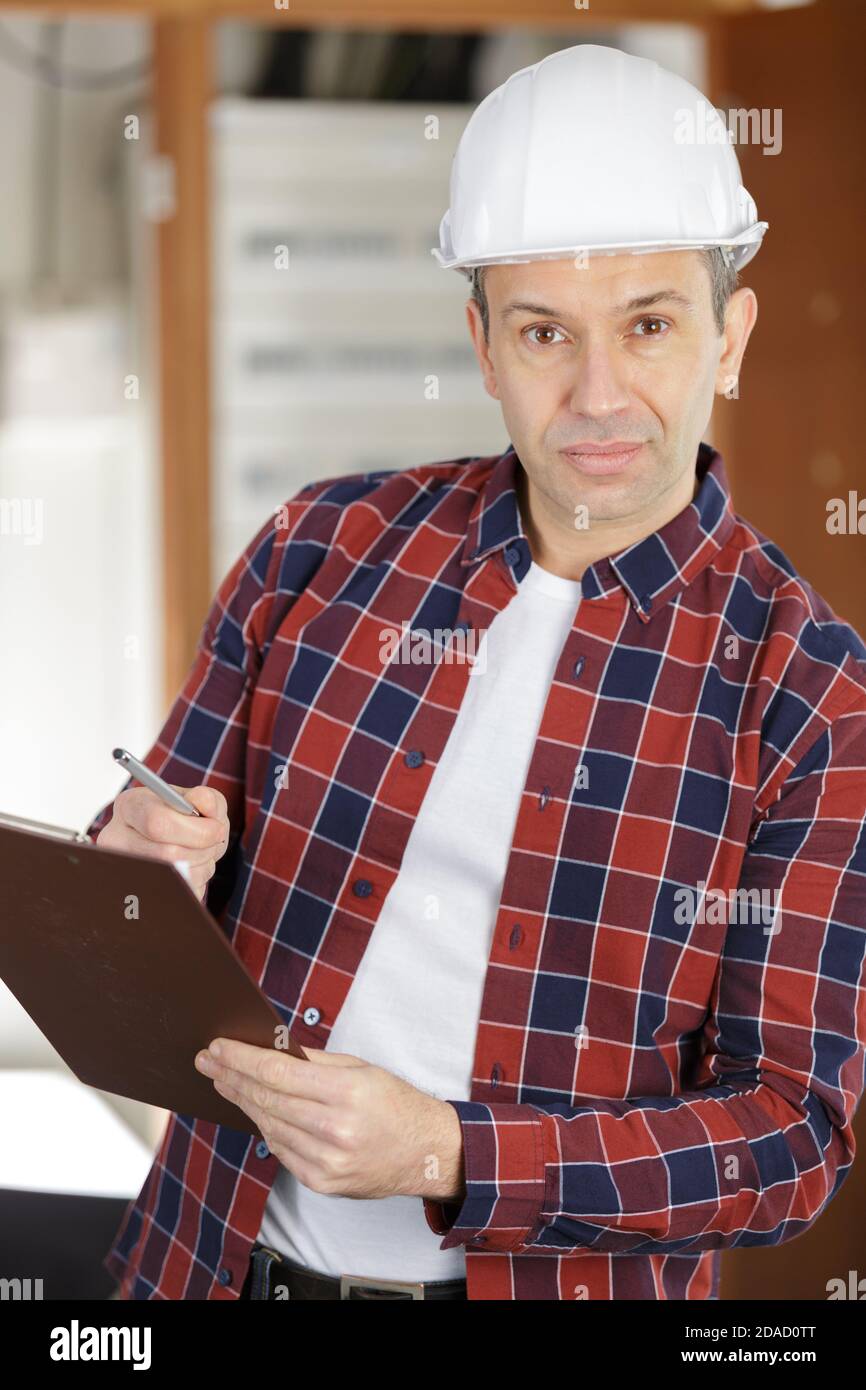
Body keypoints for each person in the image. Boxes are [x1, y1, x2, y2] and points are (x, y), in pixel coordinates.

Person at [87, 43, 866, 1301]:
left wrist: (447, 1152)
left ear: (729, 337)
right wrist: (138, 881)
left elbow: (789, 1137)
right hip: (203, 1270)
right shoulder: (318, 549)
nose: (597, 396)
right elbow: (129, 900)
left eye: (650, 326)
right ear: (483, 341)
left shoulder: (813, 699)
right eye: (544, 330)